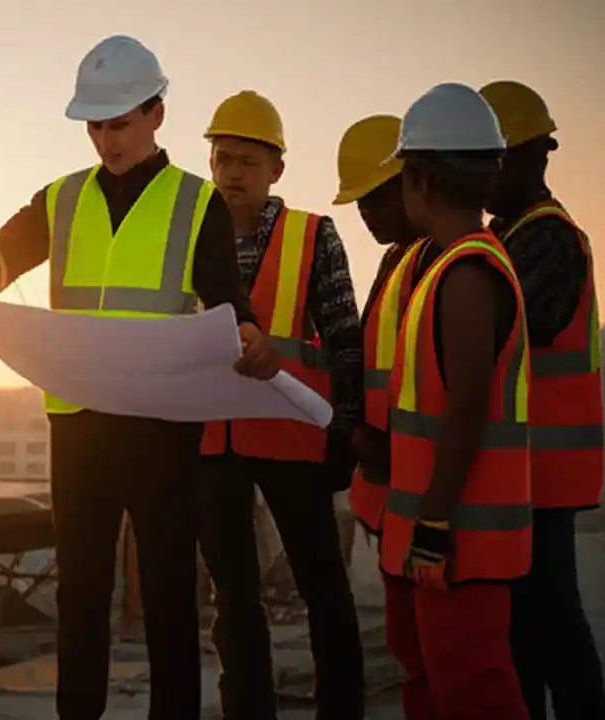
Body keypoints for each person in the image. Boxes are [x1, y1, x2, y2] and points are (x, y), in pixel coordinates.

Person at [0, 35, 276, 719]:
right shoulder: (63, 199)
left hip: (162, 428)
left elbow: (226, 303)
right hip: (80, 424)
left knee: (166, 593)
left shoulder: (196, 203)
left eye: (119, 123)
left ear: (156, 114)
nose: (106, 139)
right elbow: (3, 248)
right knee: (82, 596)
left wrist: (246, 333)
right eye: (96, 126)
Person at [196, 90, 365, 720]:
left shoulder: (313, 237)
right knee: (232, 602)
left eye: (247, 160)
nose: (232, 172)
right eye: (222, 158)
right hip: (214, 444)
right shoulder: (191, 238)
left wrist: (345, 431)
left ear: (276, 170)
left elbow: (345, 342)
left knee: (323, 590)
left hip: (294, 440)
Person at [381, 81, 532, 720]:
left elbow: (468, 403)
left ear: (420, 181)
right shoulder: (443, 265)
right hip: (438, 541)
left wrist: (435, 526)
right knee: (437, 689)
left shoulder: (467, 273)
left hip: (458, 545)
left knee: (475, 695)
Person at [481, 79, 605, 720]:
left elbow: (504, 336)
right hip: (521, 473)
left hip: (545, 476)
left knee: (554, 632)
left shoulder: (548, 239)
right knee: (524, 639)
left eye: (485, 158)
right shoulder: (509, 236)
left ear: (525, 158)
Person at [333, 114, 425, 541]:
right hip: (388, 485)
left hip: (416, 481)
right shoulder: (398, 258)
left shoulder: (437, 261)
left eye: (376, 198)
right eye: (359, 202)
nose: (366, 213)